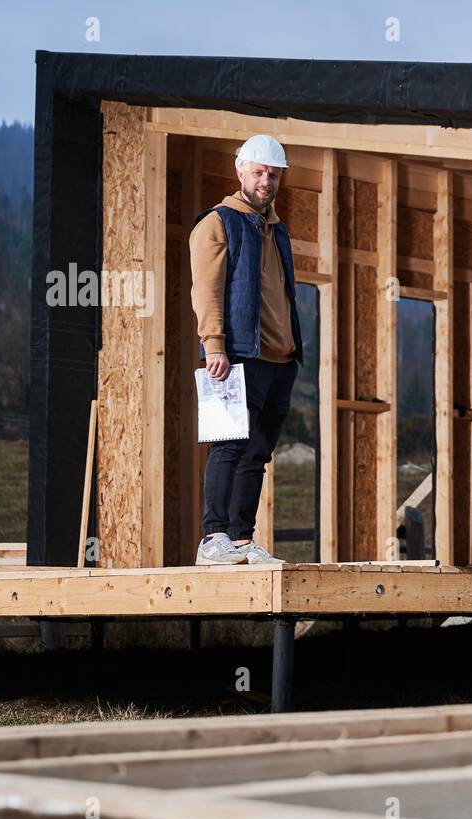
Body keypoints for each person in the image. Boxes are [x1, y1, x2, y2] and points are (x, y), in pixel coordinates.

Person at [189, 134, 303, 564]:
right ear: (241, 172)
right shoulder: (218, 222)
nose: (266, 181)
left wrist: (293, 352)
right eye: (258, 172)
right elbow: (208, 289)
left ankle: (240, 538)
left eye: (274, 174)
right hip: (237, 355)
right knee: (229, 445)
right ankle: (212, 537)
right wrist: (213, 344)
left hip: (280, 361)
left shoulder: (278, 230)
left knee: (258, 453)